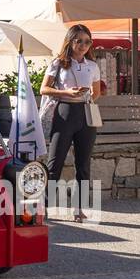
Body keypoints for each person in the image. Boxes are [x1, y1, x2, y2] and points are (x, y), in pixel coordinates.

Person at [40, 24, 103, 222]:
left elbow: (97, 92)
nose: (83, 45)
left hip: (85, 114)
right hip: (65, 111)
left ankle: (79, 208)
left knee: (83, 163)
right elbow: (44, 89)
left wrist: (88, 95)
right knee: (55, 162)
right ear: (70, 42)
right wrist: (66, 92)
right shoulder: (58, 63)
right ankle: (47, 206)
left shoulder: (92, 65)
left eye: (87, 41)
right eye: (79, 41)